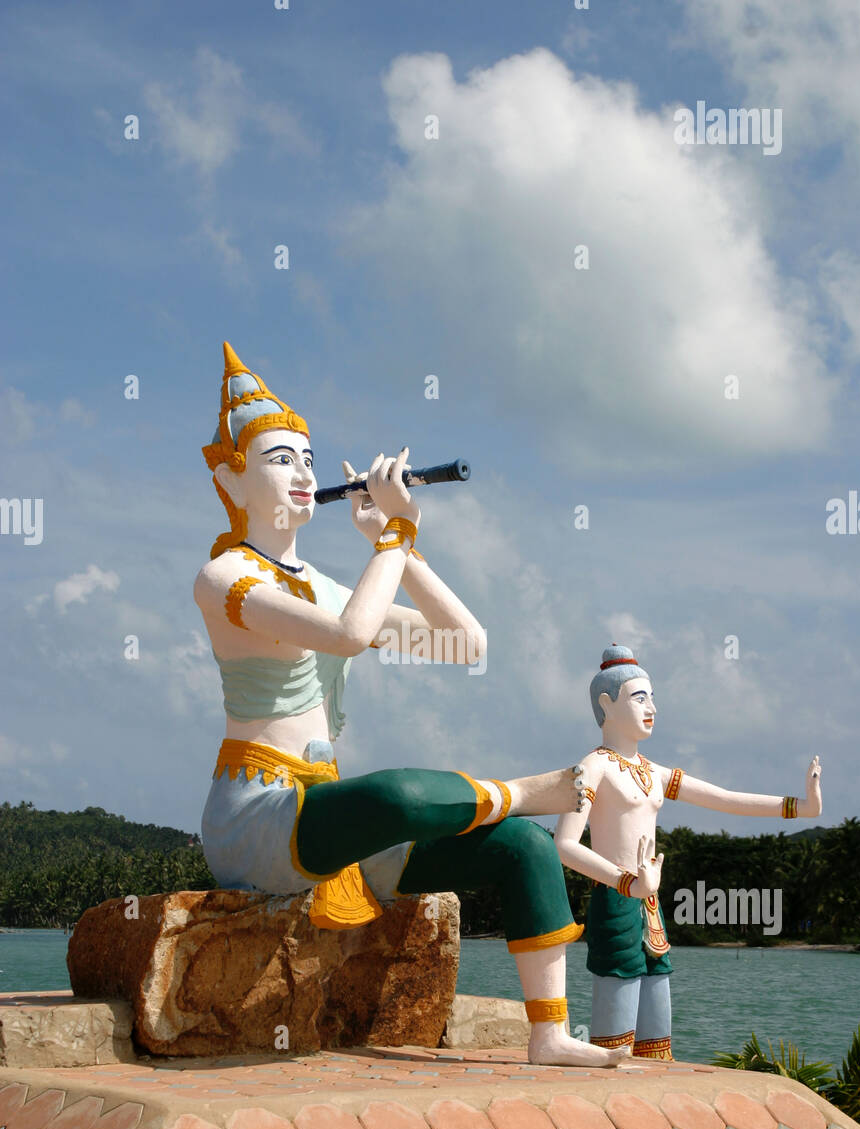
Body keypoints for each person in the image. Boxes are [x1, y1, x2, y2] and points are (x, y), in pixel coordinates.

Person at [194, 343, 629, 1066]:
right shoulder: (224, 578)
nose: (304, 474)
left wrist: (400, 546)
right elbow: (351, 635)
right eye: (279, 459)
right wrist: (392, 534)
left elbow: (466, 642)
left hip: (330, 817)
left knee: (522, 846)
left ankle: (549, 1034)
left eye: (308, 458)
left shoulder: (330, 584)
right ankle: (519, 793)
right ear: (229, 477)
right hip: (260, 819)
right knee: (397, 794)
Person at [554, 644, 822, 1060]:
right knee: (616, 1031)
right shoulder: (594, 767)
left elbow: (726, 799)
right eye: (639, 698)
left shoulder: (655, 772)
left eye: (653, 697)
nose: (652, 708)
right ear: (606, 704)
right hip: (617, 897)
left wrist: (801, 807)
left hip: (650, 902)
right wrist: (627, 881)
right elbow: (566, 844)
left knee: (658, 1032)